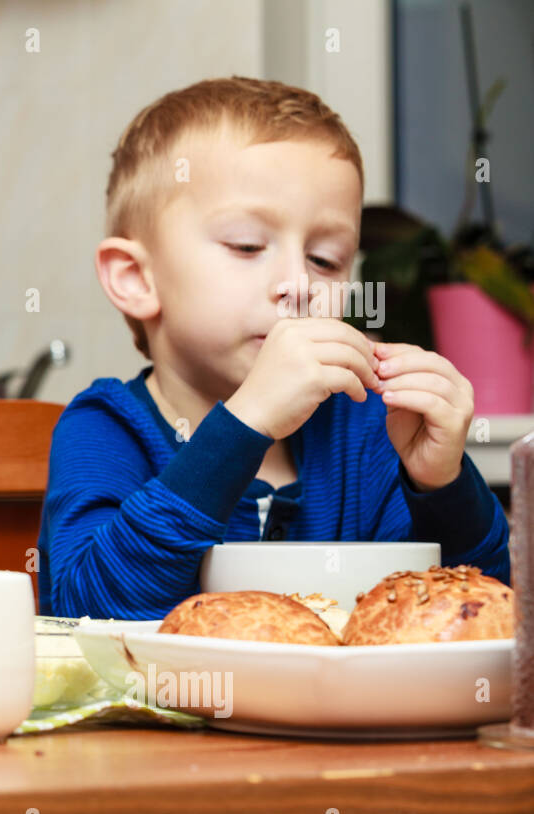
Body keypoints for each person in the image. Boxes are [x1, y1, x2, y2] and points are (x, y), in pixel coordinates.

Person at [37, 76, 509, 620]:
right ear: (137, 278)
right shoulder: (104, 429)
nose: (298, 283)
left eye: (326, 260)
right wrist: (245, 425)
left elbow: (479, 615)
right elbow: (92, 612)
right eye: (247, 245)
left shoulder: (367, 434)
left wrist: (441, 483)